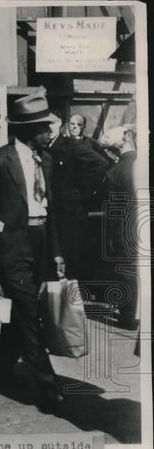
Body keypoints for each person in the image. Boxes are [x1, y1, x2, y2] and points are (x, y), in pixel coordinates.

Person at [0, 92, 65, 412]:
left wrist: (56, 253)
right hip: (11, 248)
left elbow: (50, 213)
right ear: (27, 130)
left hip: (40, 244)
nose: (49, 132)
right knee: (27, 310)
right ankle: (48, 384)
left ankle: (0, 368)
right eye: (43, 127)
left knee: (23, 312)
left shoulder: (47, 161)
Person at [48, 112, 112, 280]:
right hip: (52, 212)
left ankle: (72, 302)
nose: (47, 128)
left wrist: (82, 192)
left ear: (59, 124)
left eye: (51, 123)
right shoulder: (45, 147)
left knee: (71, 262)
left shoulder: (71, 145)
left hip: (70, 213)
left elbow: (102, 164)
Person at [101, 126, 139, 331]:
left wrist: (111, 234)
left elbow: (113, 209)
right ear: (126, 138)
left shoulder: (114, 172)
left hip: (126, 228)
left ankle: (128, 317)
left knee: (128, 270)